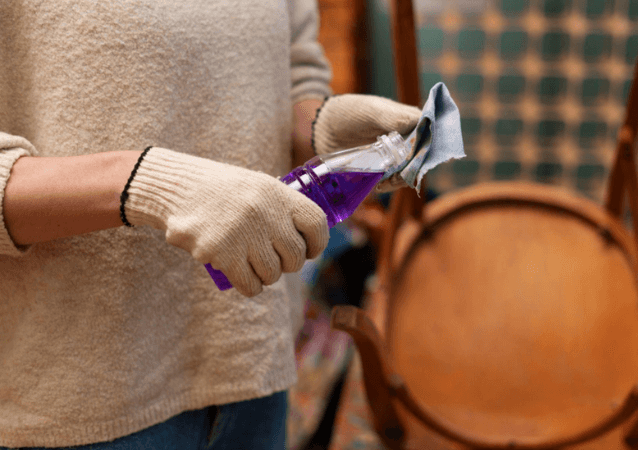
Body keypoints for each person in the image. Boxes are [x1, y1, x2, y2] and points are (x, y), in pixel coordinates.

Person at [0, 1, 421, 448]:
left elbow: (293, 73)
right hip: (81, 402)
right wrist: (150, 183)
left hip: (254, 370)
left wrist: (319, 130)